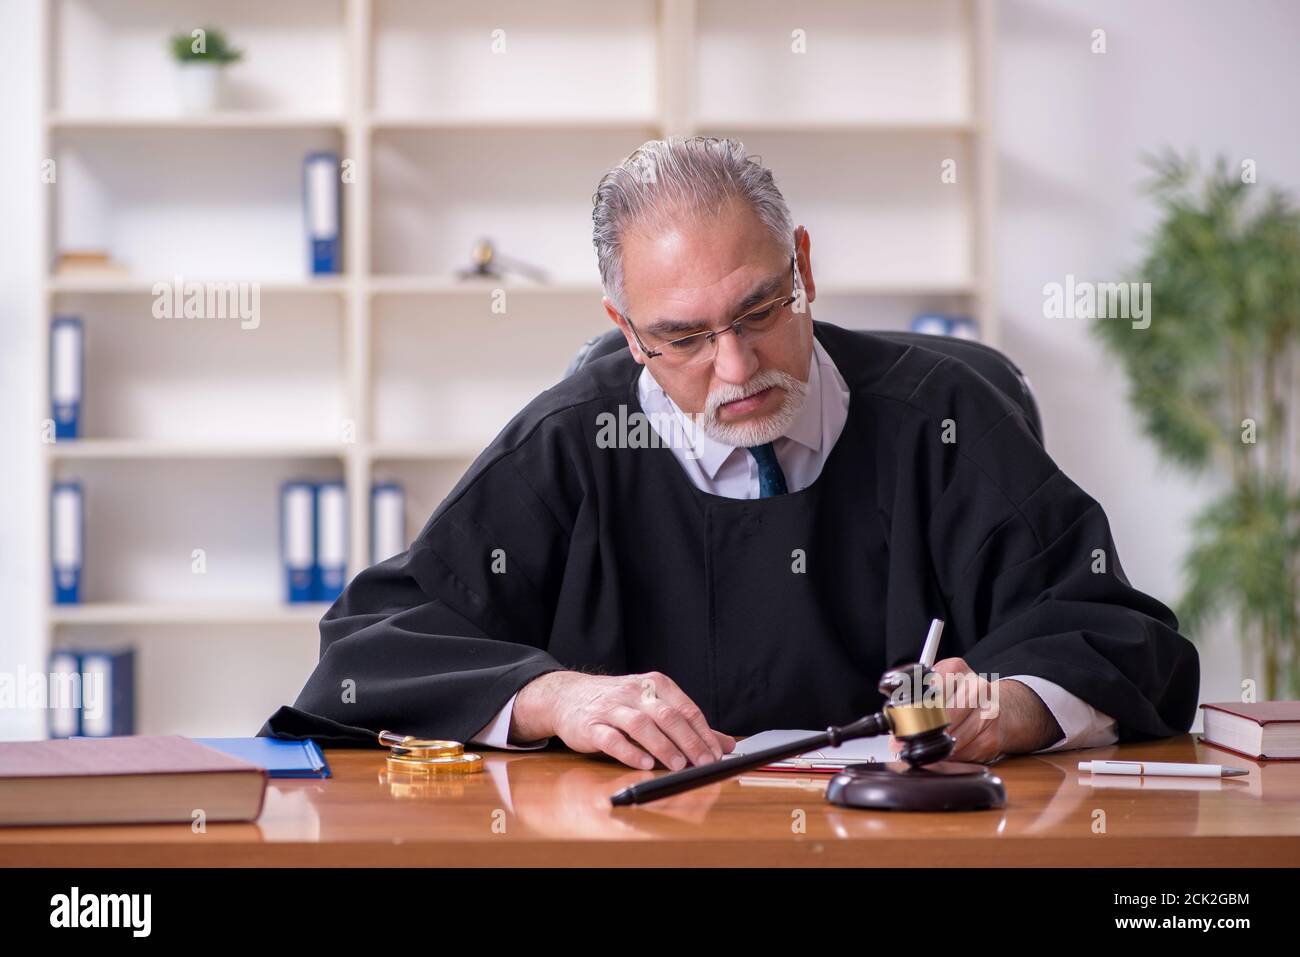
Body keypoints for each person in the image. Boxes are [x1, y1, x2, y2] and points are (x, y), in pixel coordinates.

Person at [261, 136, 1199, 772]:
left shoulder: (943, 419)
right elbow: (370, 648)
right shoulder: (572, 442)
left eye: (759, 311)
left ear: (803, 265)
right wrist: (554, 696)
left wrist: (1013, 704)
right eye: (683, 338)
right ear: (625, 332)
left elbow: (1125, 635)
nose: (737, 367)